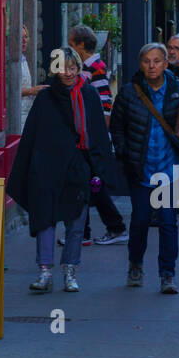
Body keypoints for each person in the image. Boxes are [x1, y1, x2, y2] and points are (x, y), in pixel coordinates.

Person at [7, 46, 116, 294]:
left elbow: (98, 134)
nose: (68, 72)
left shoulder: (88, 95)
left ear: (78, 68)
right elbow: (32, 136)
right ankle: (45, 271)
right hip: (46, 168)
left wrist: (98, 169)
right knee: (45, 220)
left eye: (72, 67)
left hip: (77, 168)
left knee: (76, 223)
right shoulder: (45, 98)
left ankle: (70, 270)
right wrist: (28, 169)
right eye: (62, 68)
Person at [109, 43, 179, 294]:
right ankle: (135, 264)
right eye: (147, 61)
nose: (152, 65)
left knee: (168, 222)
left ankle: (168, 274)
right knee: (140, 220)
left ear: (166, 64)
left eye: (157, 60)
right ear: (140, 64)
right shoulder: (128, 93)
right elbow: (117, 126)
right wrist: (124, 151)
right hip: (141, 167)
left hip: (169, 168)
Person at [68, 23, 128, 246]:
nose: (70, 48)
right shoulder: (89, 66)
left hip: (90, 136)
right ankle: (85, 231)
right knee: (87, 183)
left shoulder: (95, 68)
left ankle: (109, 227)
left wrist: (98, 136)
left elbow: (104, 103)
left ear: (81, 45)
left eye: (72, 44)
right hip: (88, 135)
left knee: (90, 183)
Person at [20, 25, 46, 132]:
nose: (24, 40)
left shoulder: (23, 59)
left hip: (25, 110)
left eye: (26, 37)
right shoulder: (8, 62)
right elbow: (7, 91)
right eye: (20, 37)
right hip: (15, 114)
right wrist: (32, 91)